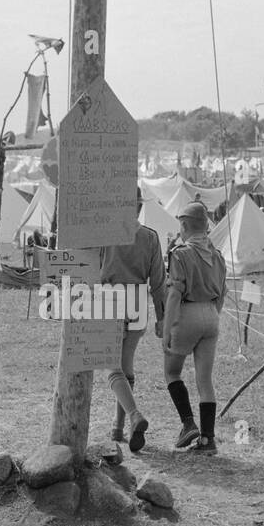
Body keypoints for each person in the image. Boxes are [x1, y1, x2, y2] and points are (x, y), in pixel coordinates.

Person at [100, 191, 166, 452]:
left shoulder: (105, 234)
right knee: (126, 367)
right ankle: (119, 428)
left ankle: (134, 415)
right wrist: (162, 318)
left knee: (112, 368)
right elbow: (159, 283)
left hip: (110, 297)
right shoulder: (150, 237)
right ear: (139, 206)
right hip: (139, 301)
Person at [162, 201, 226, 454]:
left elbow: (175, 294)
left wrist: (167, 329)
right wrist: (210, 316)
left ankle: (188, 423)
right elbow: (222, 294)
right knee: (204, 380)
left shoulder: (180, 254)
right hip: (211, 314)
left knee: (172, 372)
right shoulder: (218, 257)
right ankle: (208, 439)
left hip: (187, 313)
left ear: (185, 225)